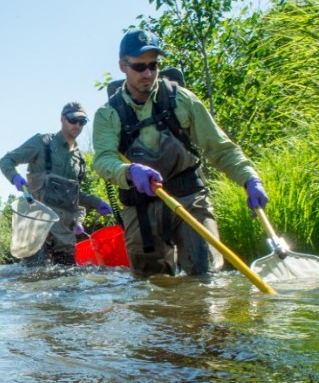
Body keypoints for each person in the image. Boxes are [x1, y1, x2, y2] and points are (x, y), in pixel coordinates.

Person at [92, 29, 269, 275]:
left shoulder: (183, 100)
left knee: (206, 277)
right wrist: (129, 171)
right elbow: (103, 160)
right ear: (123, 65)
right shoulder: (107, 114)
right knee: (152, 291)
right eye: (140, 67)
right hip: (141, 208)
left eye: (153, 65)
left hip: (190, 199)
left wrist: (250, 178)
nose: (148, 73)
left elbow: (219, 147)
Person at [0, 102, 114, 265]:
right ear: (62, 119)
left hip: (65, 238)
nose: (77, 125)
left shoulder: (80, 159)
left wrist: (96, 202)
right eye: (73, 120)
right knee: (33, 282)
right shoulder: (42, 142)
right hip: (37, 233)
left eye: (82, 122)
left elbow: (74, 194)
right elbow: (6, 160)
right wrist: (14, 177)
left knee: (68, 284)